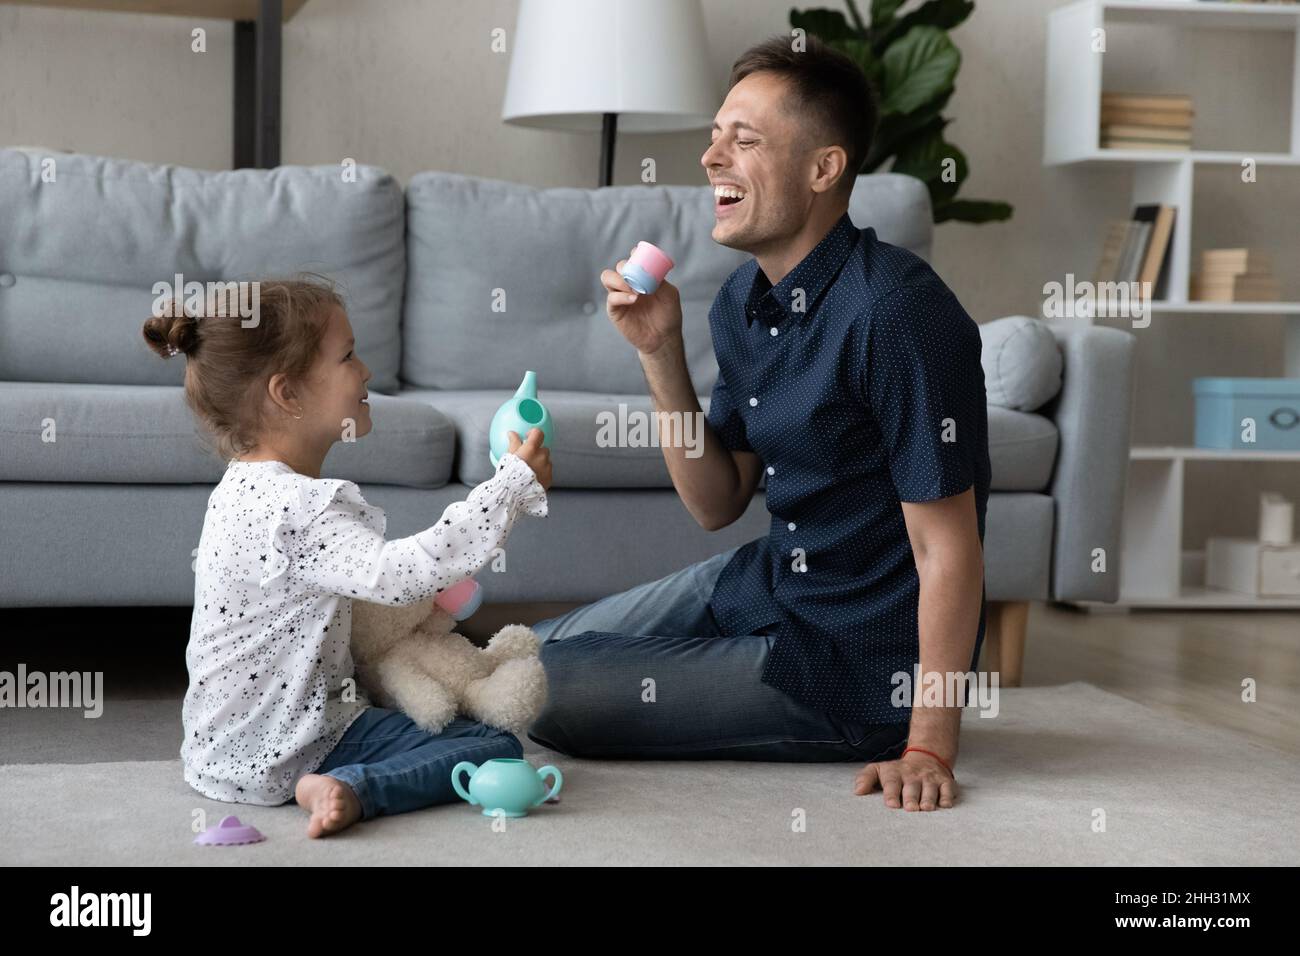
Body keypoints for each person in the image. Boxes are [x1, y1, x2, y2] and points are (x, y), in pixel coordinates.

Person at [528, 36, 991, 813]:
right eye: (715, 137)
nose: (712, 158)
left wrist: (927, 743)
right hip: (768, 583)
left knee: (539, 692)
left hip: (850, 662)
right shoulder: (748, 302)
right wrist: (661, 353)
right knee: (519, 656)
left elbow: (947, 548)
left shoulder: (897, 313)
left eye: (744, 140)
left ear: (823, 169)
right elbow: (717, 502)